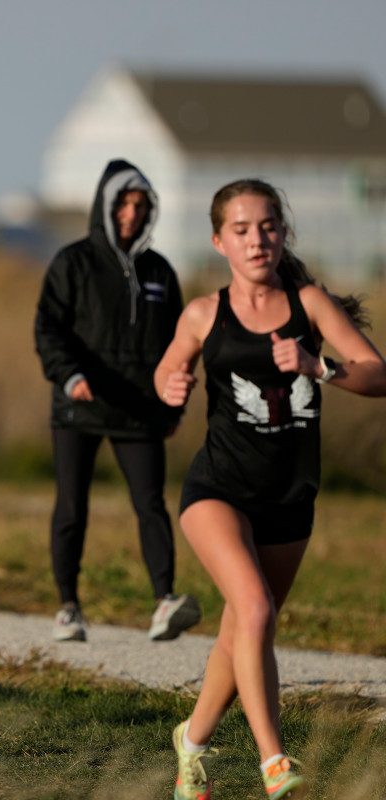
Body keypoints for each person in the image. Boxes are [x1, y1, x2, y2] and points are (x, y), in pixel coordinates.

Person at [156, 179, 385, 800]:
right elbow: (168, 366)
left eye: (267, 226)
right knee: (254, 611)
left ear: (283, 234)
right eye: (241, 229)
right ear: (218, 241)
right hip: (218, 489)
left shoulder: (309, 304)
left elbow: (378, 373)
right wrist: (170, 387)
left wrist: (321, 368)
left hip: (290, 496)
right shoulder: (205, 313)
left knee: (242, 633)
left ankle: (192, 743)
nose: (256, 239)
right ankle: (273, 759)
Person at [34, 158, 199, 642]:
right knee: (71, 506)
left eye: (141, 204)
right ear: (106, 206)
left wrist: (173, 406)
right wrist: (68, 376)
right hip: (79, 405)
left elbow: (181, 344)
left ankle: (166, 602)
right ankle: (68, 607)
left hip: (141, 408)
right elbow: (48, 329)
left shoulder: (160, 272)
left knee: (151, 503)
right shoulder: (73, 262)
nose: (132, 212)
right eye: (124, 203)